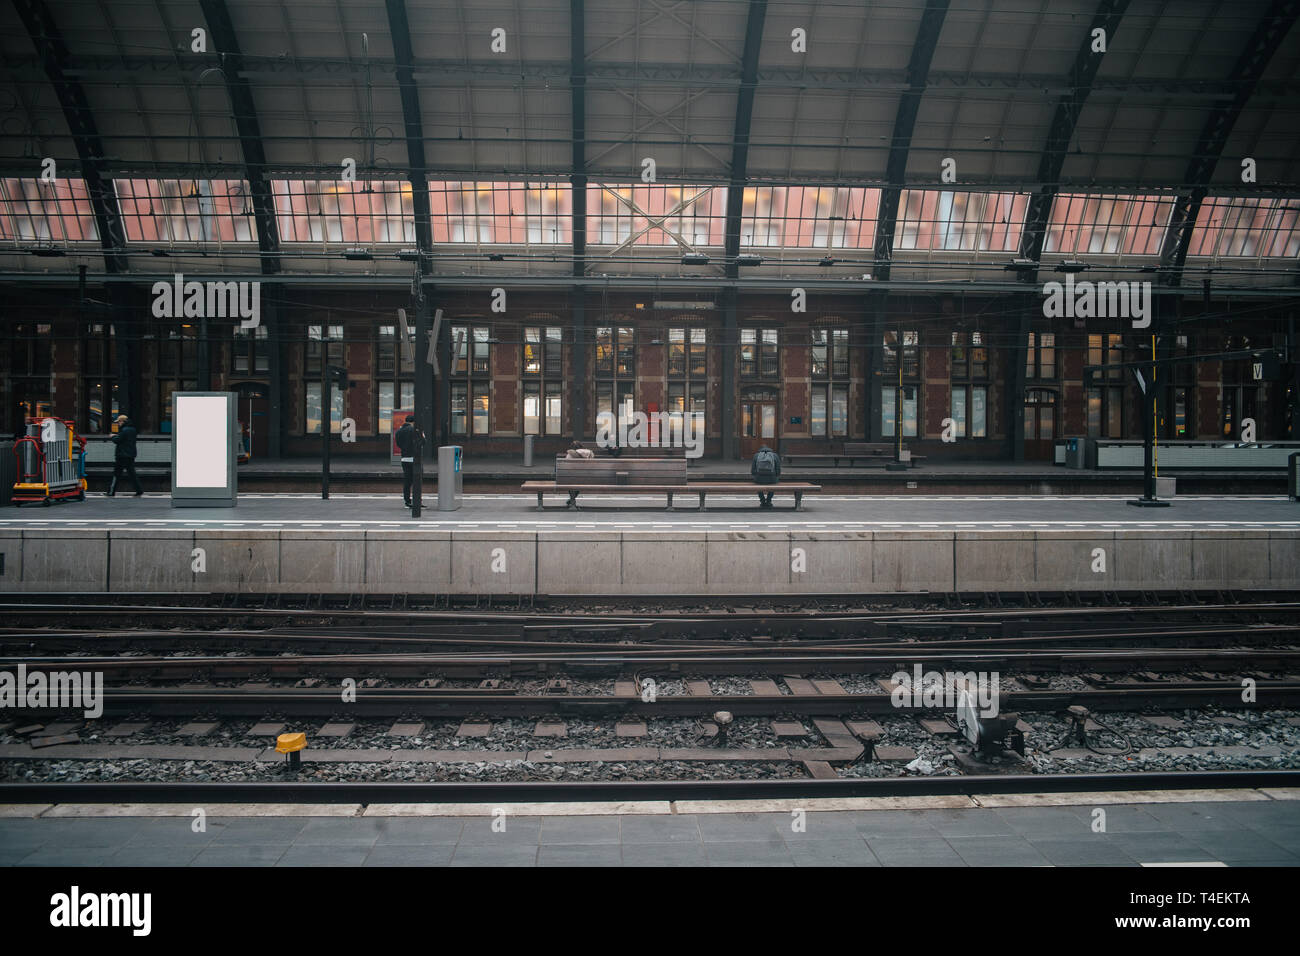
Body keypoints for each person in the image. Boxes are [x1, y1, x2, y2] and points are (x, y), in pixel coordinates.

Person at [108, 414, 142, 497]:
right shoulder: (133, 430)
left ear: (122, 421)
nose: (118, 424)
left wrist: (112, 436)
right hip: (130, 455)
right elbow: (125, 439)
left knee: (116, 474)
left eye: (119, 422)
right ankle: (139, 490)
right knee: (132, 474)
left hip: (121, 455)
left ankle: (111, 492)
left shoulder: (124, 430)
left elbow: (118, 440)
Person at [394, 414, 423, 507]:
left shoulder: (398, 431)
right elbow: (422, 442)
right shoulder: (415, 430)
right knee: (417, 481)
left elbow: (398, 444)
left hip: (404, 458)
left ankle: (407, 501)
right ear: (413, 422)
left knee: (407, 481)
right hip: (415, 459)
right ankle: (417, 501)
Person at [751, 444, 781, 508]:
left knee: (758, 484)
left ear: (760, 450)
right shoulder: (775, 455)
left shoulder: (756, 455)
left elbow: (752, 471)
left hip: (759, 479)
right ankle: (768, 501)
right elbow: (778, 470)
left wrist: (756, 475)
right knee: (774, 484)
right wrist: (776, 476)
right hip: (772, 479)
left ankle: (762, 501)